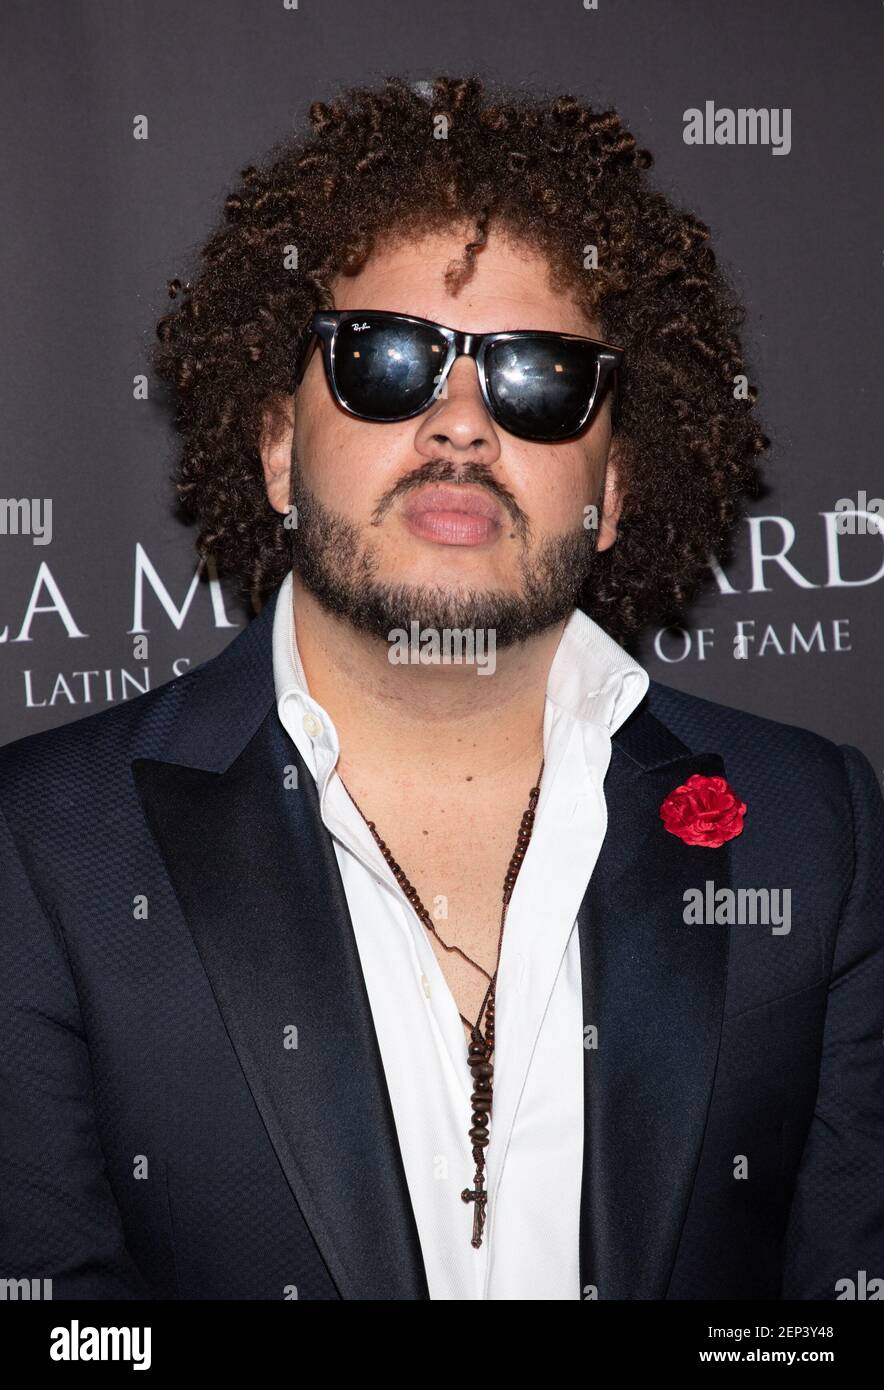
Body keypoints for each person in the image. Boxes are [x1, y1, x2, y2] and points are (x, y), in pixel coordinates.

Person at [1, 74, 881, 1301]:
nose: (460, 423)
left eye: (538, 378)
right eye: (385, 360)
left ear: (613, 491)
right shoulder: (46, 846)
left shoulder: (810, 830)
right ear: (277, 451)